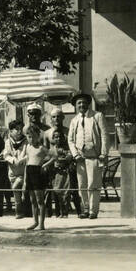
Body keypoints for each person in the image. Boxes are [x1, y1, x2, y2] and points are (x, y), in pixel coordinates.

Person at [68, 91, 105, 219]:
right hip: (80, 158)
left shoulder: (97, 116)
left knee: (93, 185)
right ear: (76, 106)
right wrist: (75, 154)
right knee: (82, 185)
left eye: (84, 102)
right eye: (79, 103)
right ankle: (85, 209)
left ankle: (93, 211)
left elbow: (105, 136)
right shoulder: (74, 120)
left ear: (88, 104)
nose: (82, 105)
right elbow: (70, 140)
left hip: (94, 157)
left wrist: (103, 153)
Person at [43, 107, 77, 218]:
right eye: (53, 117)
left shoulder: (68, 131)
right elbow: (45, 150)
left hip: (67, 165)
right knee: (54, 191)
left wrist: (69, 157)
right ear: (50, 119)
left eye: (58, 116)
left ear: (62, 117)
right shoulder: (47, 133)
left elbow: (72, 147)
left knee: (70, 190)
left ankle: (77, 212)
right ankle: (53, 213)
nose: (56, 119)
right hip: (53, 166)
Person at [21, 125, 51, 231]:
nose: (31, 139)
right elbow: (27, 163)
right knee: (32, 200)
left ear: (38, 136)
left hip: (37, 174)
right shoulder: (28, 147)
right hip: (29, 172)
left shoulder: (41, 148)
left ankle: (41, 224)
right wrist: (25, 181)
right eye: (29, 137)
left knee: (40, 200)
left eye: (33, 137)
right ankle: (35, 222)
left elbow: (54, 156)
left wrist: (45, 164)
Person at [2, 119, 29, 220]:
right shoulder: (8, 142)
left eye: (21, 129)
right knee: (16, 192)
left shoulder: (26, 141)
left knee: (22, 190)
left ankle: (26, 211)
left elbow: (29, 153)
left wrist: (23, 159)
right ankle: (19, 212)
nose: (19, 131)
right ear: (11, 131)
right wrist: (13, 160)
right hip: (13, 172)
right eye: (16, 129)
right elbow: (6, 154)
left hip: (24, 171)